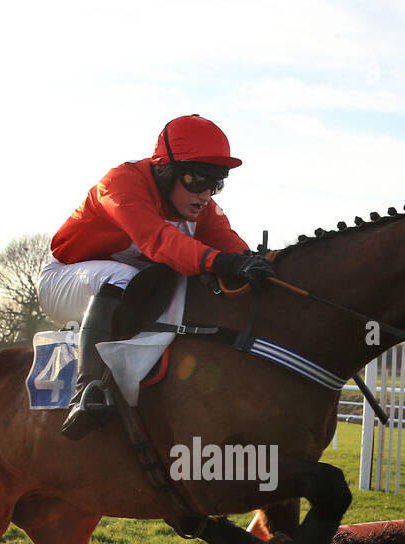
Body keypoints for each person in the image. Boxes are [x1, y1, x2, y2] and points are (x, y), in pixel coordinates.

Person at [38, 114, 276, 440]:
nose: (207, 194)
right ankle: (86, 391)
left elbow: (233, 250)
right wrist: (222, 262)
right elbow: (158, 241)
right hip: (63, 279)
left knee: (188, 285)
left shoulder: (201, 207)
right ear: (164, 170)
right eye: (197, 180)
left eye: (216, 183)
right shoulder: (121, 184)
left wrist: (259, 265)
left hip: (129, 289)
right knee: (124, 276)